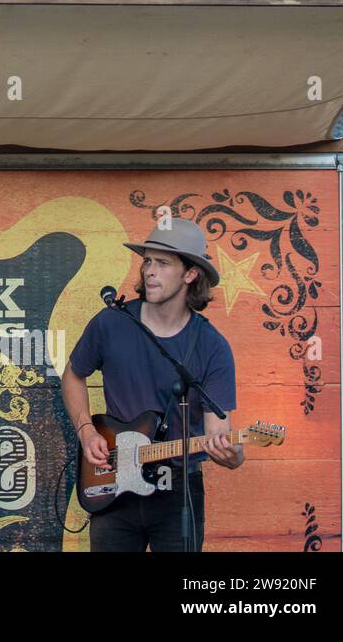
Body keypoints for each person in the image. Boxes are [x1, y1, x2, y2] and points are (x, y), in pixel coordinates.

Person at [62, 216, 241, 551]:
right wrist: (87, 431)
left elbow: (219, 430)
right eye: (147, 261)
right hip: (113, 486)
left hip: (177, 492)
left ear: (190, 274)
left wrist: (231, 454)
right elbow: (73, 374)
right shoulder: (112, 323)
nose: (149, 271)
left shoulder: (211, 346)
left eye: (162, 263)